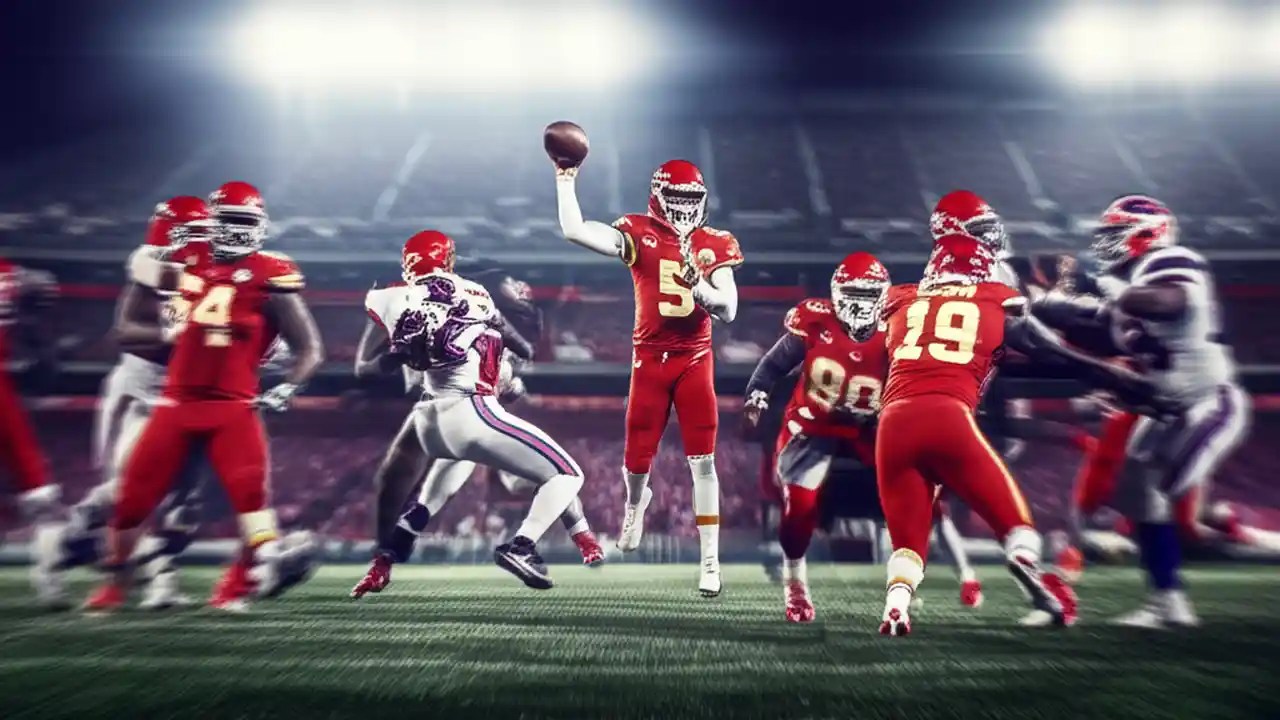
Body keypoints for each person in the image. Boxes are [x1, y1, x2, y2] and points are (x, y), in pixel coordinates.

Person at [875, 232, 1164, 635]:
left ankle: (897, 602)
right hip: (949, 415)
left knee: (908, 535)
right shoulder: (994, 297)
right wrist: (1110, 372)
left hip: (892, 423)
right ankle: (1025, 561)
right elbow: (1050, 350)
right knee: (1014, 522)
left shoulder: (899, 298)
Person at [82, 181, 325, 613]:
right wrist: (169, 328)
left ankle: (249, 576)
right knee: (134, 498)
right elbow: (127, 323)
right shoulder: (180, 259)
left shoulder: (271, 272)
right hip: (174, 402)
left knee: (248, 494)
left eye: (247, 221)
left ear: (262, 225)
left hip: (233, 403)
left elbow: (308, 347)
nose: (237, 230)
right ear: (209, 223)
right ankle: (115, 581)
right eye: (229, 219)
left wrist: (287, 386)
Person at [350, 230, 584, 591]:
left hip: (431, 414)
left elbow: (365, 369)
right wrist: (520, 357)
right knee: (566, 473)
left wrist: (397, 356)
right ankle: (522, 546)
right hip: (469, 409)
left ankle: (382, 561)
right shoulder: (475, 295)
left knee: (419, 493)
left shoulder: (390, 296)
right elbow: (511, 338)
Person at [557, 156, 742, 596]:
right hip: (649, 359)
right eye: (674, 199)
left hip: (695, 359)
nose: (682, 209)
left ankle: (710, 560)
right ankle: (635, 506)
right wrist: (565, 180)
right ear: (657, 198)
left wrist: (700, 288)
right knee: (636, 458)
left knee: (704, 462)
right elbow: (575, 230)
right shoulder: (638, 231)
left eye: (689, 200)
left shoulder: (714, 242)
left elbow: (730, 309)